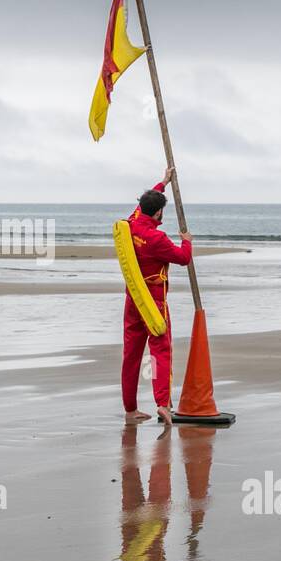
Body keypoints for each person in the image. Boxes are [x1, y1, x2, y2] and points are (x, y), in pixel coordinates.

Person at [122, 167, 193, 424]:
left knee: (131, 354)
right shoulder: (156, 238)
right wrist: (187, 240)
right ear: (160, 212)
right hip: (154, 301)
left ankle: (130, 409)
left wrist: (163, 182)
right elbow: (183, 258)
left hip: (133, 299)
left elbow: (145, 206)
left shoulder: (130, 224)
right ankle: (162, 404)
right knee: (160, 350)